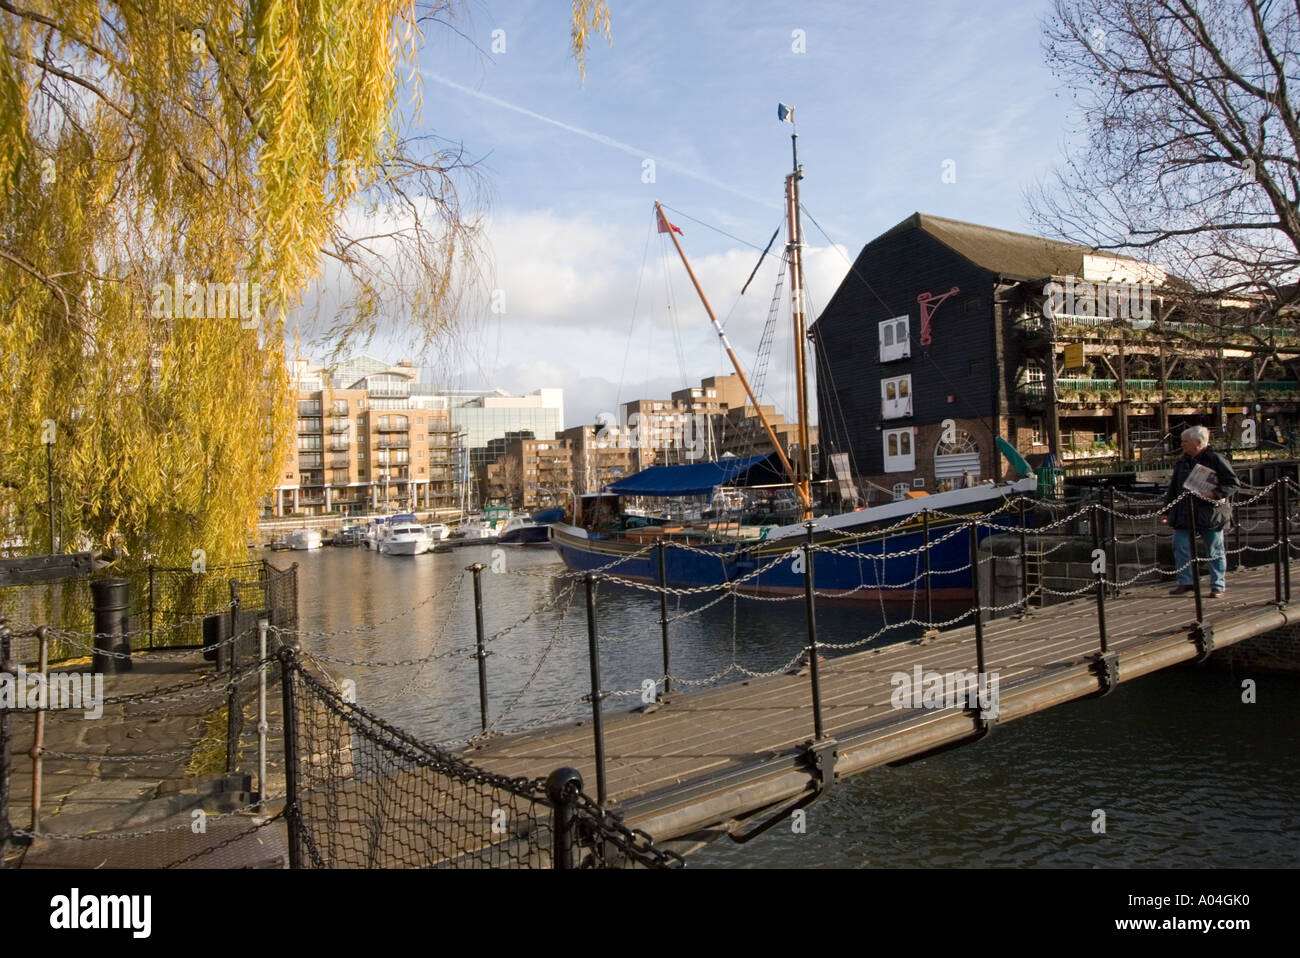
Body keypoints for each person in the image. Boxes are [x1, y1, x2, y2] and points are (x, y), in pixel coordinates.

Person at [1164, 426, 1239, 598]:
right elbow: (1174, 487)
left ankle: (1217, 585)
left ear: (1198, 443)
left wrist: (1215, 493)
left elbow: (1233, 483)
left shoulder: (1216, 460)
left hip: (1209, 512)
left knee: (1214, 548)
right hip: (1185, 511)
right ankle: (1186, 581)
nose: (1182, 444)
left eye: (1185, 442)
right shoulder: (1183, 461)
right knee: (1180, 545)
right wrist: (1167, 509)